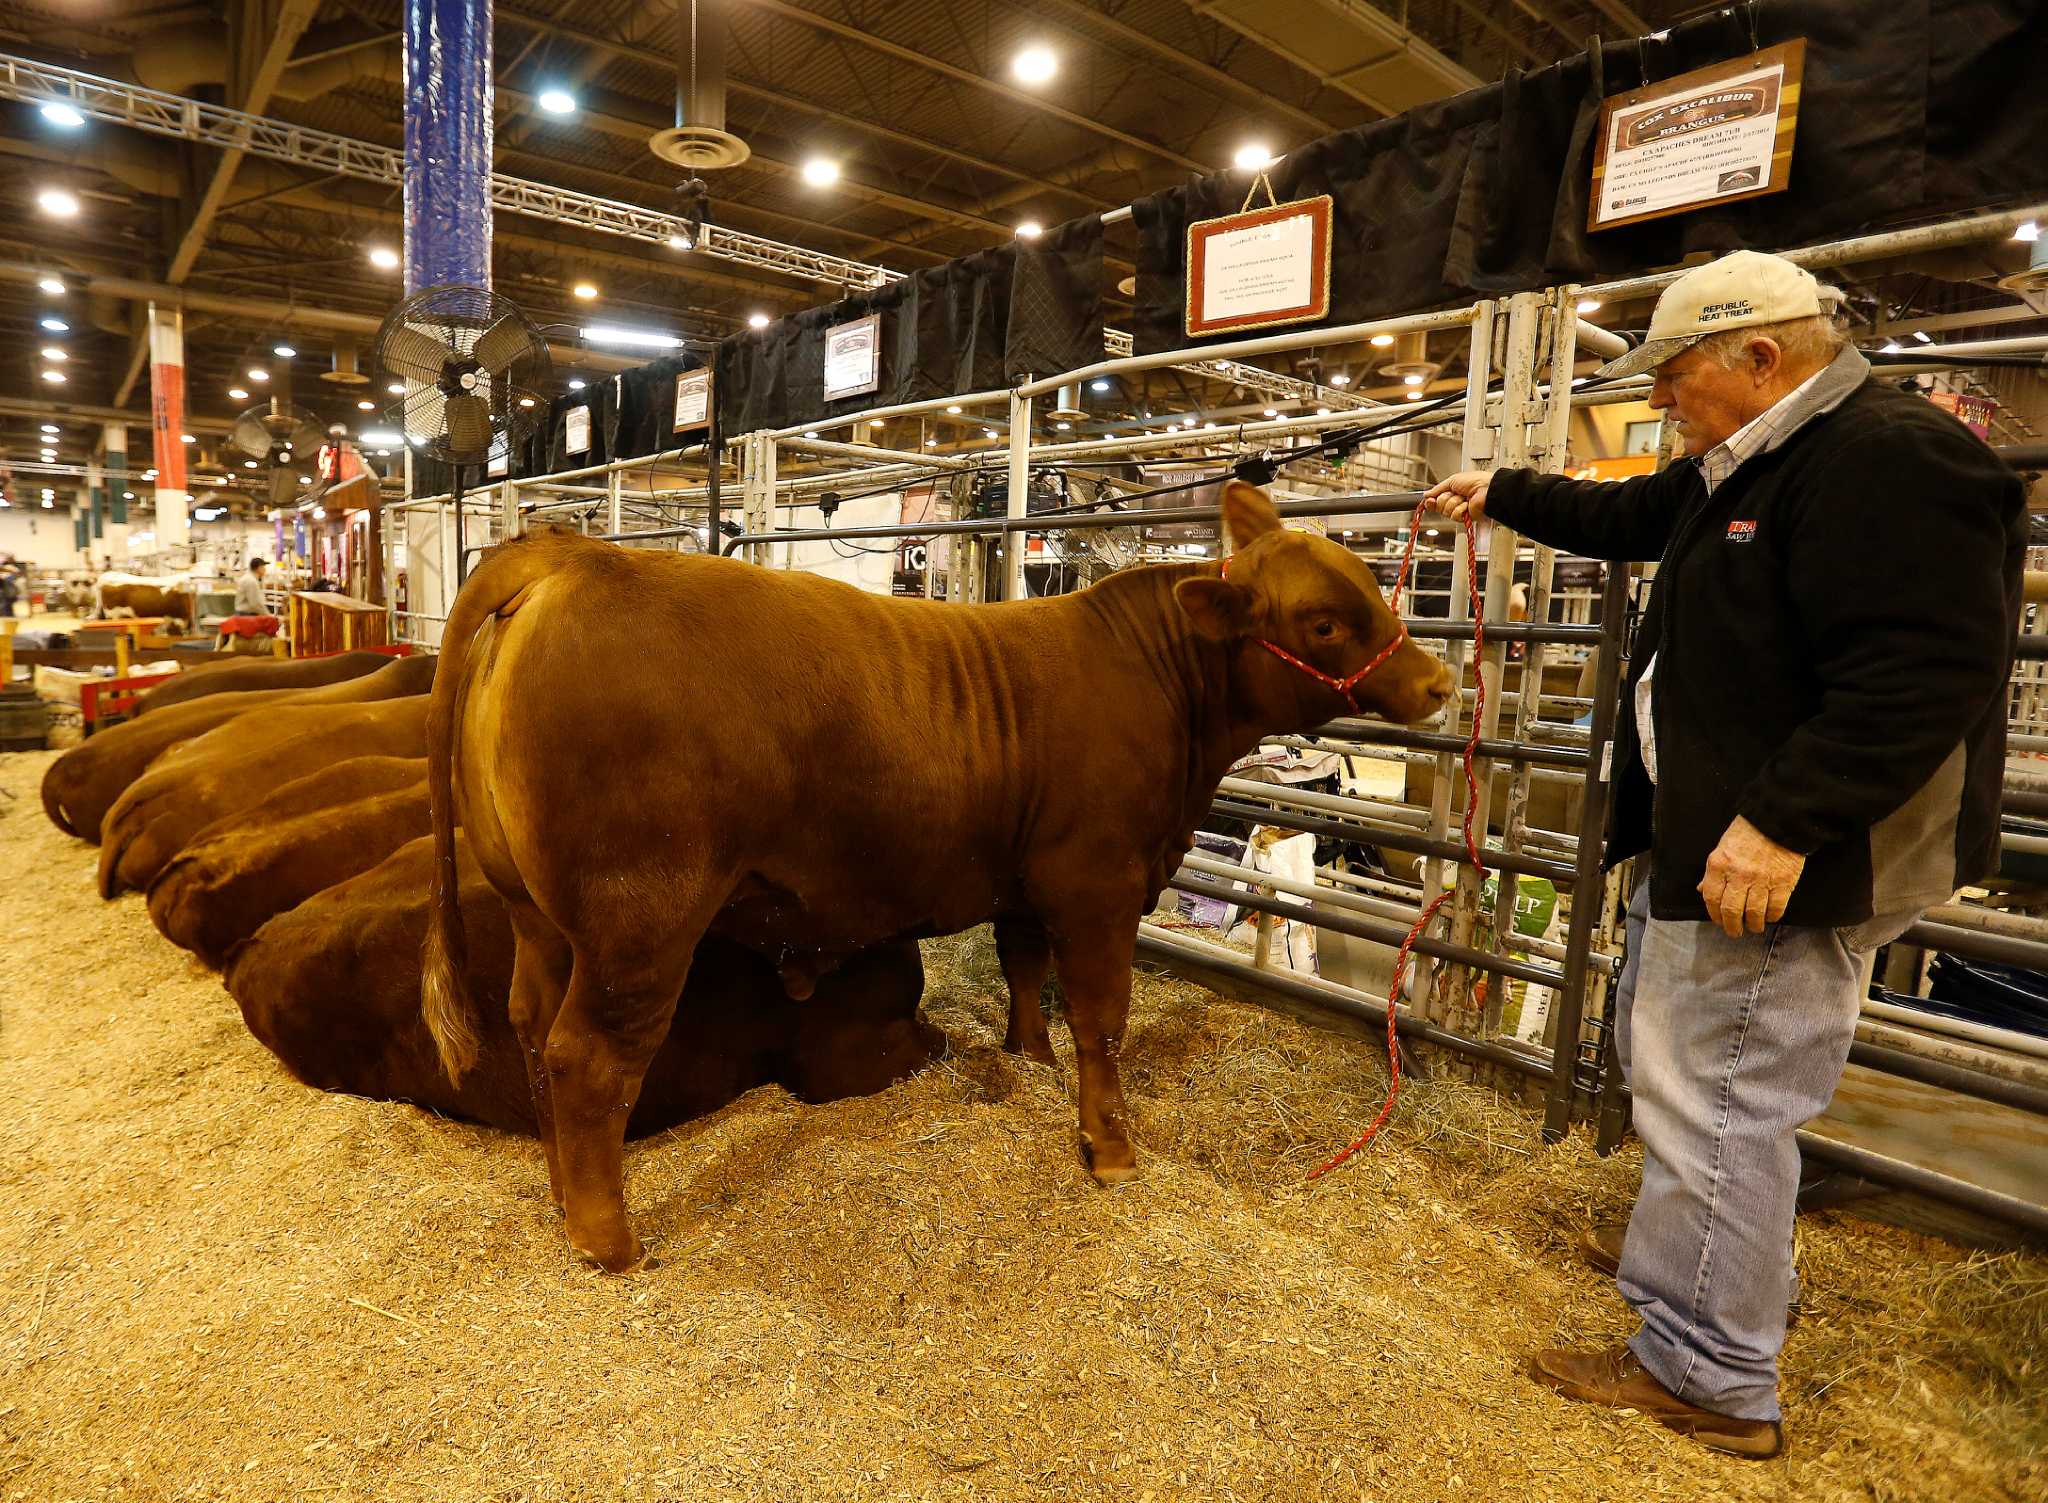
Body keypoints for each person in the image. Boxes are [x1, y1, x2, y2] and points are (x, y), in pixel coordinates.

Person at [1425, 249, 2024, 1459]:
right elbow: (1628, 515)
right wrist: (1502, 490)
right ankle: (1704, 1270)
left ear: (1760, 355)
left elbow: (1921, 673)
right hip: (1720, 832)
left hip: (1785, 854)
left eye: (1674, 374)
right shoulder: (1753, 457)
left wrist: (1781, 822)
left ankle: (1707, 1370)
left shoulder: (1888, 460)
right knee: (1687, 1072)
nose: (1655, 398)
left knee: (1721, 1095)